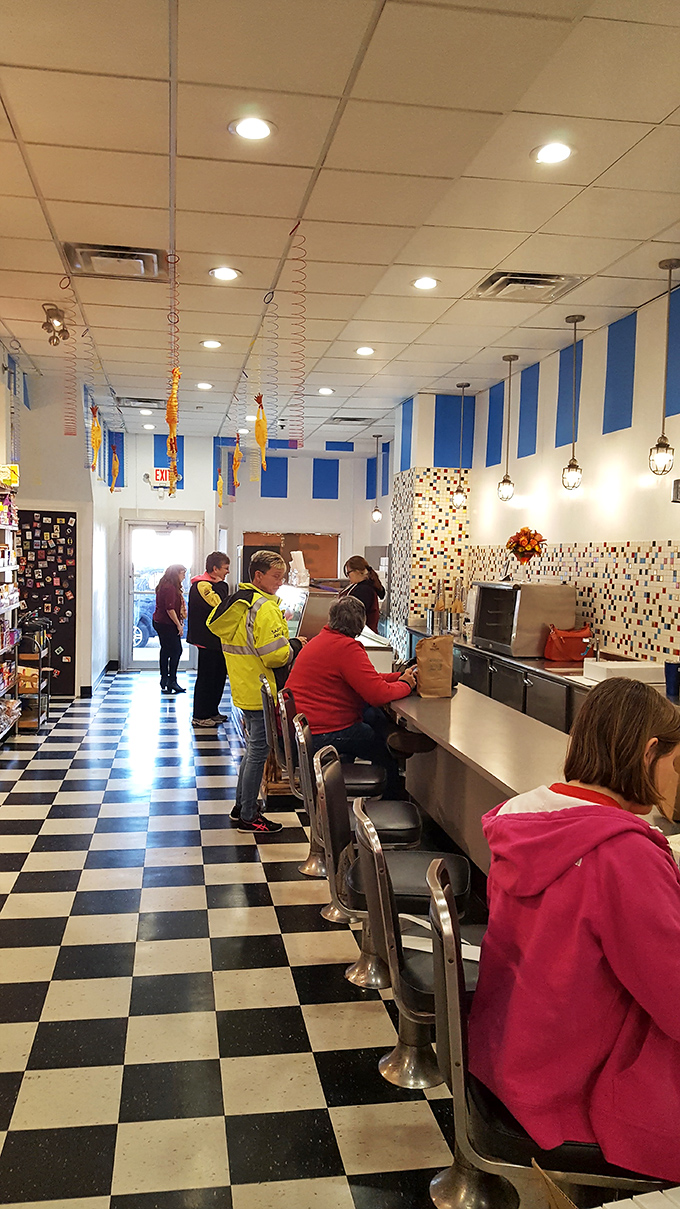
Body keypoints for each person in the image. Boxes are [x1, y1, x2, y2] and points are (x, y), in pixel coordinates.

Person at [467, 677, 680, 1183]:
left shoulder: (528, 818)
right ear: (649, 752)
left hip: (511, 1047)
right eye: (676, 764)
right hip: (567, 1079)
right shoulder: (622, 855)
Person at [206, 549, 305, 834]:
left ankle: (241, 807)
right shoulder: (264, 608)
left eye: (282, 577)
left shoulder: (240, 603)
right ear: (258, 576)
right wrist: (295, 645)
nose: (280, 581)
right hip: (261, 687)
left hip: (245, 686)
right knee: (258, 752)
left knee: (252, 752)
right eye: (276, 576)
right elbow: (274, 656)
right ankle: (249, 815)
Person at [286, 595, 419, 797]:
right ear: (360, 623)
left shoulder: (322, 640)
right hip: (322, 733)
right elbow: (377, 694)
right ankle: (393, 799)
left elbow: (366, 679)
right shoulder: (346, 648)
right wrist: (406, 685)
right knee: (383, 748)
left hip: (306, 728)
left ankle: (398, 737)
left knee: (371, 714)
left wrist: (399, 677)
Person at [187, 551, 231, 728]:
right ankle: (200, 714)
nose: (227, 572)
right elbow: (219, 603)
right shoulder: (202, 585)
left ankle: (213, 710)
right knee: (206, 677)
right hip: (206, 639)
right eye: (225, 568)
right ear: (215, 569)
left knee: (218, 675)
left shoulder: (214, 583)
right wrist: (223, 586)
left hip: (216, 640)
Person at [152, 563, 186, 694]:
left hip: (160, 622)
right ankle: (172, 680)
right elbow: (170, 609)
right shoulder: (171, 588)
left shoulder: (164, 585)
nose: (183, 576)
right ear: (175, 574)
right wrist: (179, 625)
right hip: (167, 624)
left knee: (166, 650)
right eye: (182, 573)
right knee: (177, 651)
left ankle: (165, 679)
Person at [340, 555, 385, 633]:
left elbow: (353, 616)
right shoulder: (362, 586)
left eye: (348, 573)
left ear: (357, 571)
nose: (348, 577)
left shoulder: (364, 590)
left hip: (363, 635)